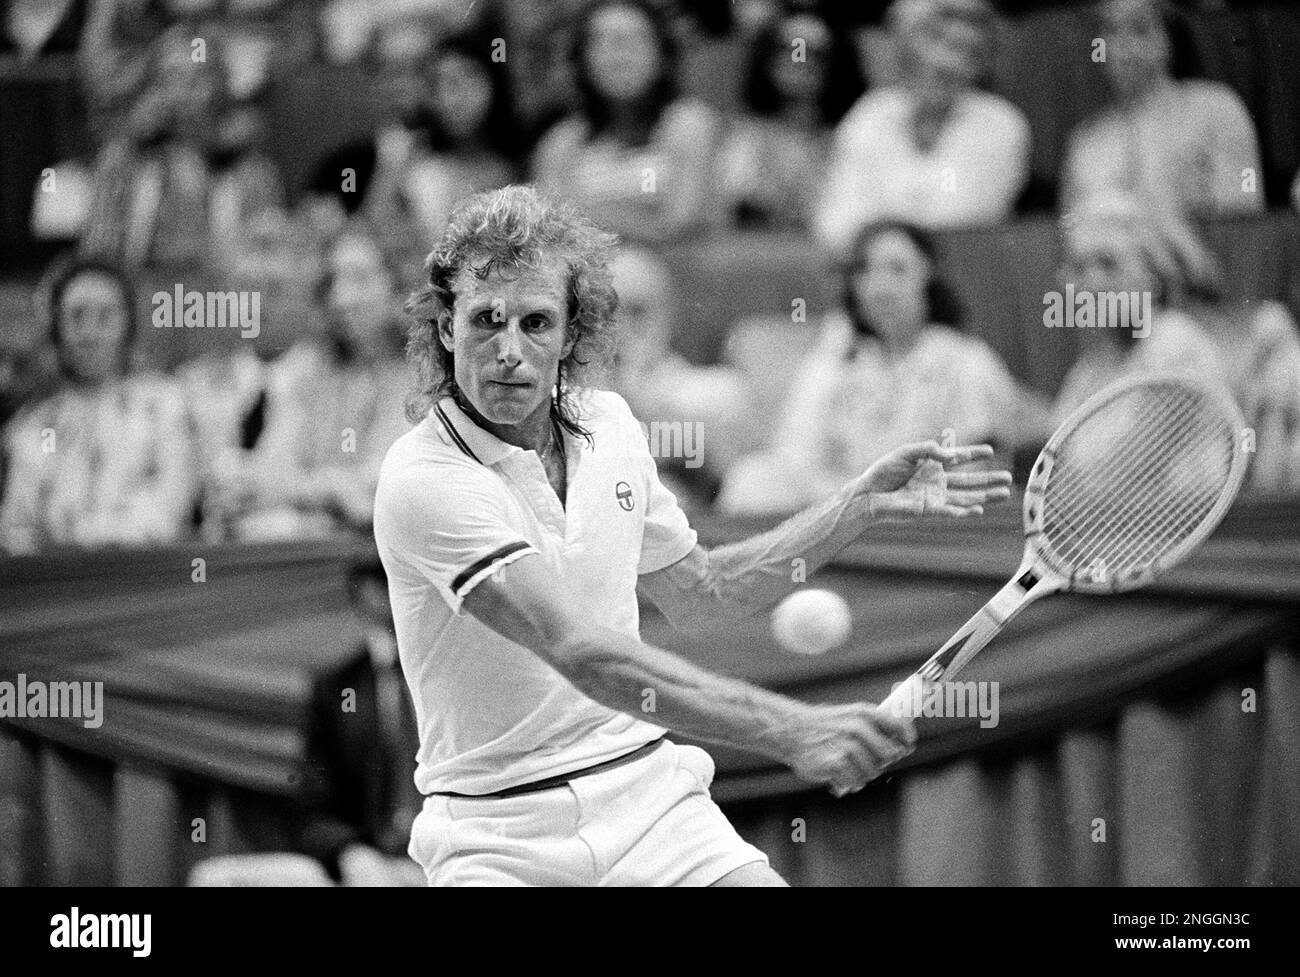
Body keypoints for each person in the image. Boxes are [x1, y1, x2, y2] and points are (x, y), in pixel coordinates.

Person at [373, 186, 1012, 886]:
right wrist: (793, 728)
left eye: (536, 322)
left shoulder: (611, 424)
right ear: (444, 327)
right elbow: (580, 650)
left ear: (570, 333)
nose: (509, 351)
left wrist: (855, 505)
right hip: (497, 838)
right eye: (485, 320)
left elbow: (702, 591)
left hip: (652, 807)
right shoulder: (422, 478)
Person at [719, 221, 1040, 516]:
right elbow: (794, 452)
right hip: (839, 504)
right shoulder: (837, 356)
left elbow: (976, 475)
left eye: (897, 270)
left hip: (926, 518)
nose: (880, 287)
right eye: (866, 271)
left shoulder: (966, 361)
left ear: (929, 279)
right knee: (751, 479)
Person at [1055, 193, 1300, 491]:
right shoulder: (1089, 369)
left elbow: (1116, 474)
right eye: (1079, 269)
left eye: (1109, 264)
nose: (1091, 284)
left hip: (1189, 534)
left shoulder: (1175, 343)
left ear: (1154, 275)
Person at [0, 255, 193, 552]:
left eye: (105, 317)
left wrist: (74, 535)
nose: (89, 334)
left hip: (144, 579)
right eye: (76, 316)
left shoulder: (164, 404)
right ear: (57, 329)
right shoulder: (40, 425)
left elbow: (166, 513)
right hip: (56, 585)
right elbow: (20, 524)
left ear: (127, 325)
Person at [226, 231, 409, 540]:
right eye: (332, 282)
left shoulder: (427, 376)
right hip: (317, 556)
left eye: (360, 278)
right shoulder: (309, 372)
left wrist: (309, 493)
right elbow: (265, 476)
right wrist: (335, 494)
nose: (341, 298)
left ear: (399, 287)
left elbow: (386, 495)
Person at [814, 0, 1030, 254]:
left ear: (982, 67)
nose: (944, 62)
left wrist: (884, 228)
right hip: (871, 271)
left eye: (965, 51)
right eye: (936, 40)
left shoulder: (1001, 125)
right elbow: (835, 219)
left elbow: (966, 215)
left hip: (961, 273)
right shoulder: (871, 114)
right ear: (910, 47)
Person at [531, 0, 720, 244]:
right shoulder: (562, 140)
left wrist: (578, 210)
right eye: (603, 42)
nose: (620, 57)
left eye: (633, 41)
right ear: (582, 60)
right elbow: (543, 229)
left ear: (662, 56)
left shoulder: (689, 122)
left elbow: (678, 224)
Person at [1060, 0, 1264, 218]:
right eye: (1111, 30)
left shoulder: (1218, 107)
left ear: (1168, 40)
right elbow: (1068, 230)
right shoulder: (1085, 142)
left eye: (1140, 29)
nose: (1124, 45)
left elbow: (1247, 201)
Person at [716, 9, 865, 230]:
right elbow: (728, 208)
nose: (799, 59)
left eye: (815, 52)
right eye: (789, 48)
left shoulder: (854, 134)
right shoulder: (744, 135)